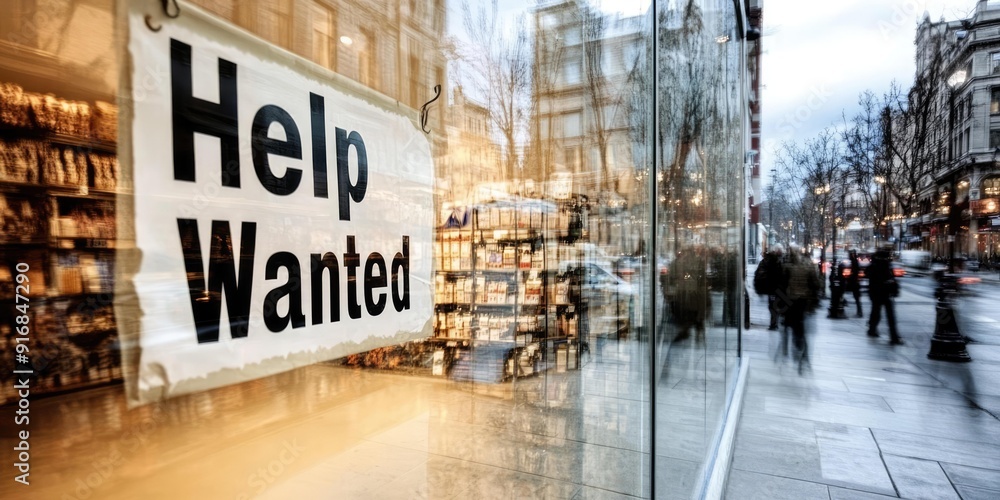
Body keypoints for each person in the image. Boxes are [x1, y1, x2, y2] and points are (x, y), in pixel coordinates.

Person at [782, 246, 820, 374]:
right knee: (800, 327)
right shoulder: (808, 265)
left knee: (791, 326)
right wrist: (813, 302)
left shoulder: (787, 266)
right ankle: (801, 351)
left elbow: (782, 284)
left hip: (790, 300)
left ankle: (794, 349)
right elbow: (816, 284)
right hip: (803, 301)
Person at [867, 245, 902, 345]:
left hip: (876, 293)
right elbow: (889, 278)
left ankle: (872, 330)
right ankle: (893, 337)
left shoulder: (874, 265)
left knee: (876, 313)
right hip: (884, 293)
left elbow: (869, 274)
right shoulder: (884, 265)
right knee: (889, 316)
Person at [847, 249, 863, 318]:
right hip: (855, 282)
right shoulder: (854, 261)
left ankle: (859, 312)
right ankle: (859, 312)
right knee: (857, 298)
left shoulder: (854, 262)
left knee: (857, 298)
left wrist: (851, 278)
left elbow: (854, 272)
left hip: (854, 282)